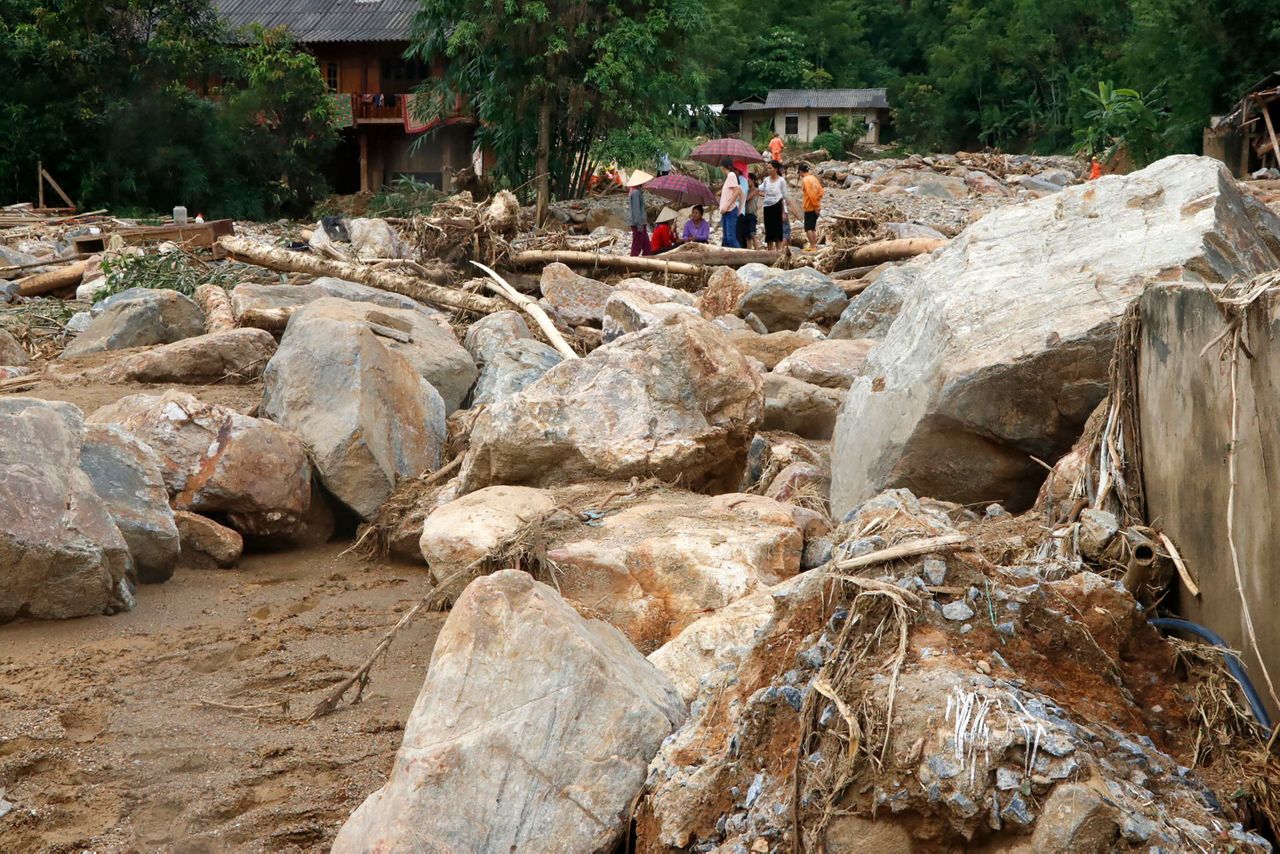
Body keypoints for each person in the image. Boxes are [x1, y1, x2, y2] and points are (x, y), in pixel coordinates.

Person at [760, 160, 788, 250]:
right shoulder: (766, 180)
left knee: (777, 229)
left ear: (776, 169)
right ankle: (769, 251)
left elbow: (784, 197)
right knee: (769, 229)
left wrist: (784, 212)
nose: (768, 170)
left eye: (770, 168)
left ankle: (778, 250)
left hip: (777, 206)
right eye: (767, 168)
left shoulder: (781, 181)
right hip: (767, 207)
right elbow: (760, 188)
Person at [627, 169, 654, 256]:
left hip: (641, 223)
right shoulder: (635, 193)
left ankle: (647, 261)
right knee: (637, 245)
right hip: (638, 223)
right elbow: (636, 210)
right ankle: (632, 263)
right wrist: (639, 225)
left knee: (647, 246)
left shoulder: (637, 191)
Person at [798, 162, 823, 251]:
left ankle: (812, 246)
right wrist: (818, 204)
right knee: (813, 227)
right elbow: (821, 192)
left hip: (810, 207)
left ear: (801, 171)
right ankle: (814, 245)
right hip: (816, 205)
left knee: (808, 228)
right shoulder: (814, 178)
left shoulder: (806, 180)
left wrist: (815, 206)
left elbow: (811, 194)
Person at [718, 158, 742, 248]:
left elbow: (737, 191)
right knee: (726, 238)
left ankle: (740, 256)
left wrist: (727, 205)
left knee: (730, 238)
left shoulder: (731, 175)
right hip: (726, 210)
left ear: (723, 168)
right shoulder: (729, 177)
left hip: (730, 210)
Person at [742, 172, 761, 249]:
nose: (747, 181)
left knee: (753, 234)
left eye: (748, 180)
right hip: (745, 214)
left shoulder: (756, 190)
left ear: (753, 180)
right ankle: (749, 253)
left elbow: (747, 198)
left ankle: (758, 251)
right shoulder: (746, 190)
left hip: (752, 214)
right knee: (747, 237)